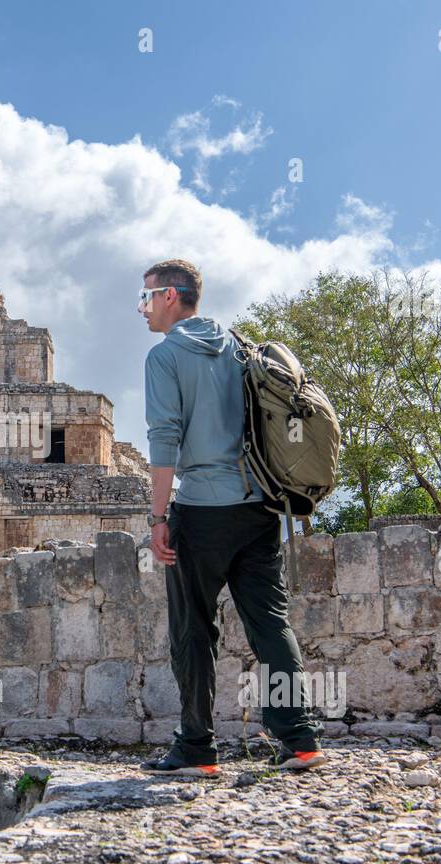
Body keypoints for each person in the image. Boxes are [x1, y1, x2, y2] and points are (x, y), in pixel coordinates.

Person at [137, 259, 327, 777]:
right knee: (270, 623)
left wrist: (158, 517)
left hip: (201, 511)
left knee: (193, 630)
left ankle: (197, 748)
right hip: (260, 508)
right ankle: (299, 738)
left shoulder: (165, 356)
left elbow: (163, 440)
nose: (142, 308)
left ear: (172, 297)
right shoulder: (240, 346)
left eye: (147, 296)